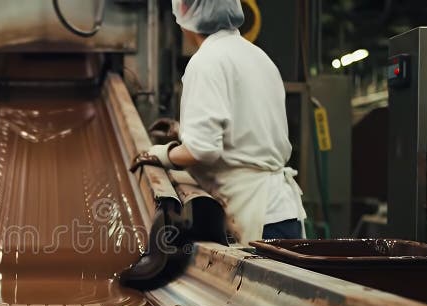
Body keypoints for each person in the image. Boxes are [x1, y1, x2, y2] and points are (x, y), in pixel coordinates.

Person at [131, 0, 306, 245]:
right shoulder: (258, 56)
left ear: (183, 12)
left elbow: (203, 150)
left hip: (257, 212)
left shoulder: (206, 61)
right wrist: (183, 131)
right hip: (283, 212)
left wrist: (161, 154)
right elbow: (246, 130)